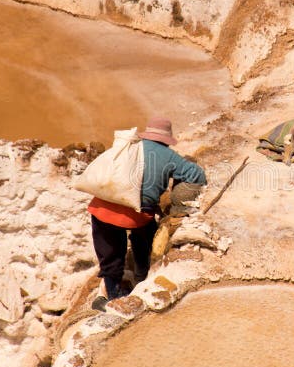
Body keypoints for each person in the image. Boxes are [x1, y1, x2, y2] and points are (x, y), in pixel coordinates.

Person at [88, 117, 206, 311]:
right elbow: (197, 175)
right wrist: (177, 200)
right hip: (136, 215)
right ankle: (142, 277)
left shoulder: (128, 146)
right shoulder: (169, 156)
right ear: (166, 139)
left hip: (102, 208)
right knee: (146, 233)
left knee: (110, 252)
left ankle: (112, 292)